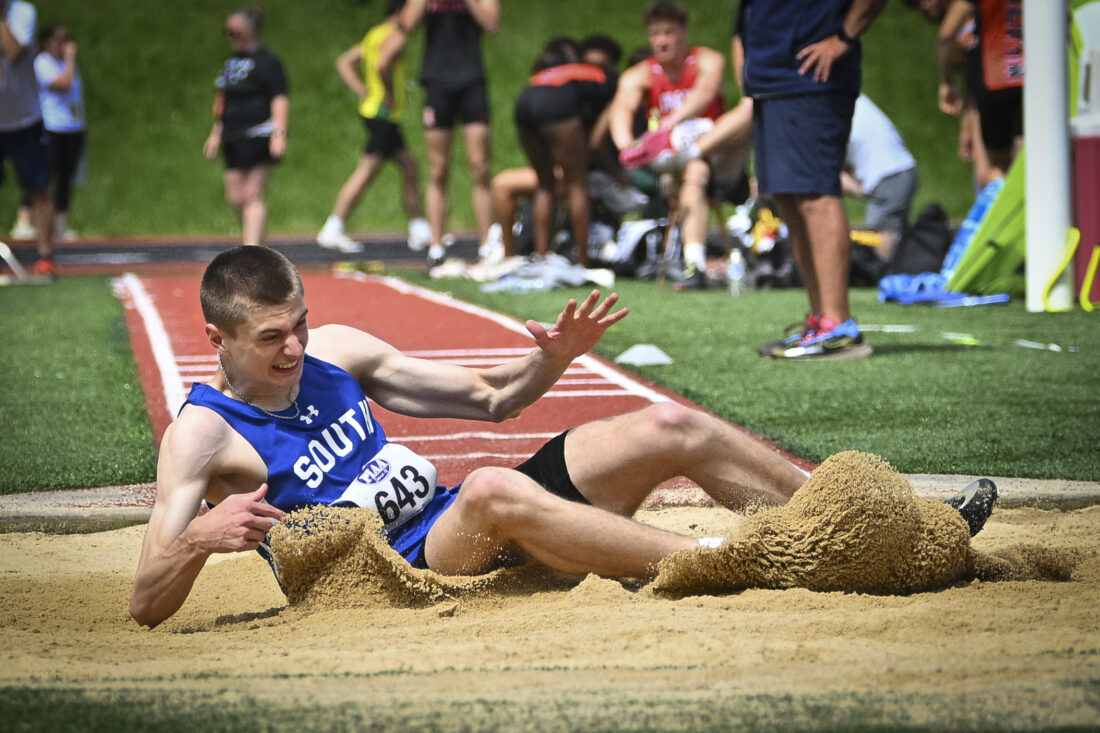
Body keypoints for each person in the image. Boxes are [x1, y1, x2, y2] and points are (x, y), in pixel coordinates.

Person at [128, 245, 813, 628]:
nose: (295, 347)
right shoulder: (202, 436)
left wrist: (551, 359)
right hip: (395, 580)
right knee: (490, 488)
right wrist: (200, 537)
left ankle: (833, 511)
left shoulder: (334, 352)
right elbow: (145, 604)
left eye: (300, 323)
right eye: (271, 336)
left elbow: (493, 398)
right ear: (217, 338)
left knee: (669, 422)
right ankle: (725, 560)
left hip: (460, 528)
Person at [739, 0, 887, 359]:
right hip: (771, 81)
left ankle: (839, 326)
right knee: (788, 196)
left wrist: (844, 37)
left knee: (814, 194)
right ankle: (821, 320)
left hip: (810, 77)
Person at [607, 1, 726, 290]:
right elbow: (621, 109)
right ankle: (695, 266)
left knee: (748, 109)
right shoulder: (641, 74)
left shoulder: (706, 60)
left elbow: (706, 92)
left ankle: (692, 152)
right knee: (694, 169)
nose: (661, 41)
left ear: (684, 32)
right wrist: (629, 147)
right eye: (655, 34)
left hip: (719, 155)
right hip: (675, 164)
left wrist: (669, 124)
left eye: (669, 33)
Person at [315, 0, 431, 256]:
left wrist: (363, 91)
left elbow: (345, 62)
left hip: (374, 111)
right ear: (401, 10)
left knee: (410, 167)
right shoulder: (396, 34)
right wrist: (389, 92)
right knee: (367, 171)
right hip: (383, 114)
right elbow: (382, 64)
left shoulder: (375, 34)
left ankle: (419, 228)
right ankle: (333, 227)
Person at [400, 0, 500, 268]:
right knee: (438, 169)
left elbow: (491, 25)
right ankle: (436, 245)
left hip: (471, 81)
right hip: (437, 82)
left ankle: (487, 244)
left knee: (480, 166)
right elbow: (407, 24)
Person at [512, 39, 619, 267]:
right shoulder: (613, 81)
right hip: (555, 102)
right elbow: (603, 128)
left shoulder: (566, 73)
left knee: (545, 183)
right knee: (576, 183)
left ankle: (542, 256)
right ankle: (582, 260)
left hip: (525, 97)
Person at [203, 5, 288, 248]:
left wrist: (279, 133)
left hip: (259, 132)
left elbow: (279, 98)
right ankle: (261, 248)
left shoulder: (267, 61)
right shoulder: (231, 63)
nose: (230, 37)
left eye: (235, 31)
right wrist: (216, 133)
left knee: (252, 193)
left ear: (252, 31)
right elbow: (223, 100)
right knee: (235, 196)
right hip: (233, 135)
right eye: (228, 32)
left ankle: (251, 251)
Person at [11, 21, 85, 242]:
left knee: (66, 175)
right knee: (42, 176)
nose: (63, 45)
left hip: (73, 126)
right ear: (47, 41)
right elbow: (63, 84)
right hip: (52, 126)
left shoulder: (64, 63)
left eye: (66, 39)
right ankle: (24, 219)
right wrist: (70, 59)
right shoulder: (43, 63)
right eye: (59, 40)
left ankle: (61, 222)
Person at [0, 0, 56, 277]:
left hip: (25, 119)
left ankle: (45, 257)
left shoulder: (22, 12)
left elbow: (12, 51)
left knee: (39, 188)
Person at [841, 94, 918, 262]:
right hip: (904, 168)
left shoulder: (830, 108)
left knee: (880, 241)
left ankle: (886, 273)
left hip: (889, 176)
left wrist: (863, 191)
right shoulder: (855, 98)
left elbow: (829, 172)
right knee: (893, 237)